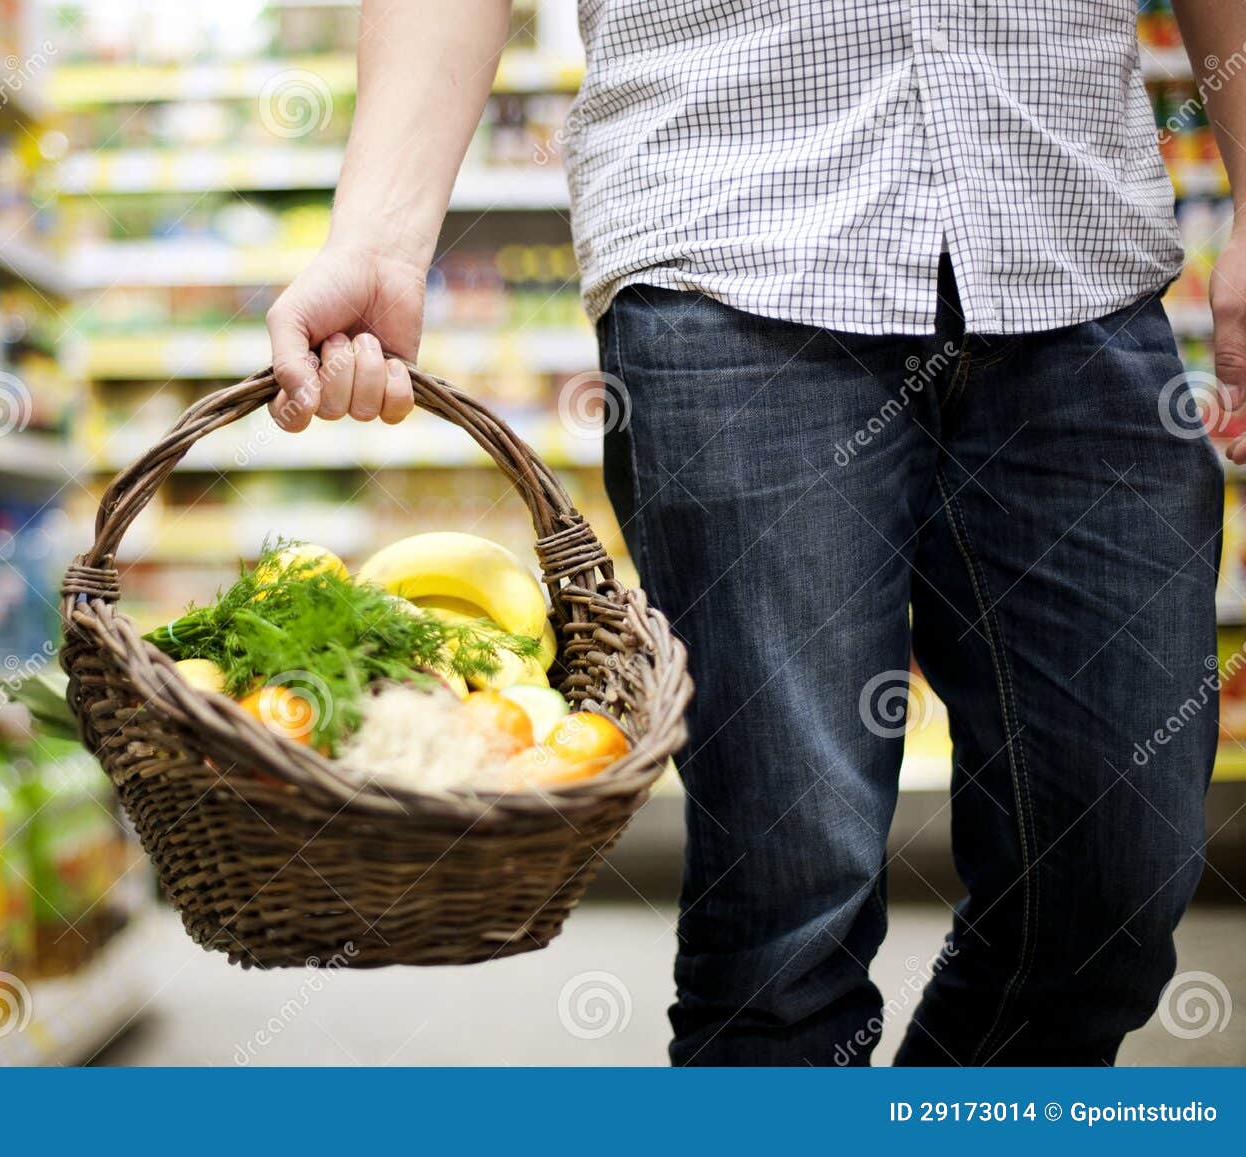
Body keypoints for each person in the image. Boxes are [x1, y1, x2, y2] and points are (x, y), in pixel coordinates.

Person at [265, 1, 1241, 1065]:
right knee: (787, 913)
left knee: (1113, 879)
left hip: (1075, 241)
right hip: (732, 253)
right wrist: (376, 241)